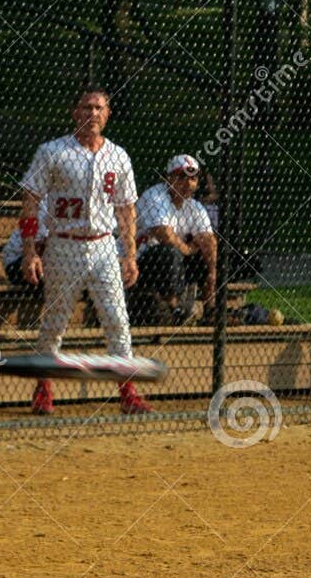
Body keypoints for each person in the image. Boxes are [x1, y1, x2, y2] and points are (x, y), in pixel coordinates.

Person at [18, 89, 151, 416]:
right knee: (55, 322)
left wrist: (129, 254)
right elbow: (30, 201)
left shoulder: (118, 156)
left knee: (117, 320)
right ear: (75, 112)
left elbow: (126, 209)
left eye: (99, 108)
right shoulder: (53, 151)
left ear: (108, 114)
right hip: (64, 243)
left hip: (104, 244)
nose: (93, 113)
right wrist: (30, 251)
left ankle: (127, 389)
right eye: (86, 107)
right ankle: (43, 387)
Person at [128, 154, 217, 325]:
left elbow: (208, 241)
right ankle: (173, 309)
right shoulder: (156, 196)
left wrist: (212, 274)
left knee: (209, 252)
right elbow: (164, 235)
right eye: (182, 177)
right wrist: (189, 249)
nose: (188, 183)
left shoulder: (194, 206)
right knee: (170, 252)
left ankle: (210, 308)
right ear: (169, 179)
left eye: (193, 178)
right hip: (139, 262)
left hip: (173, 265)